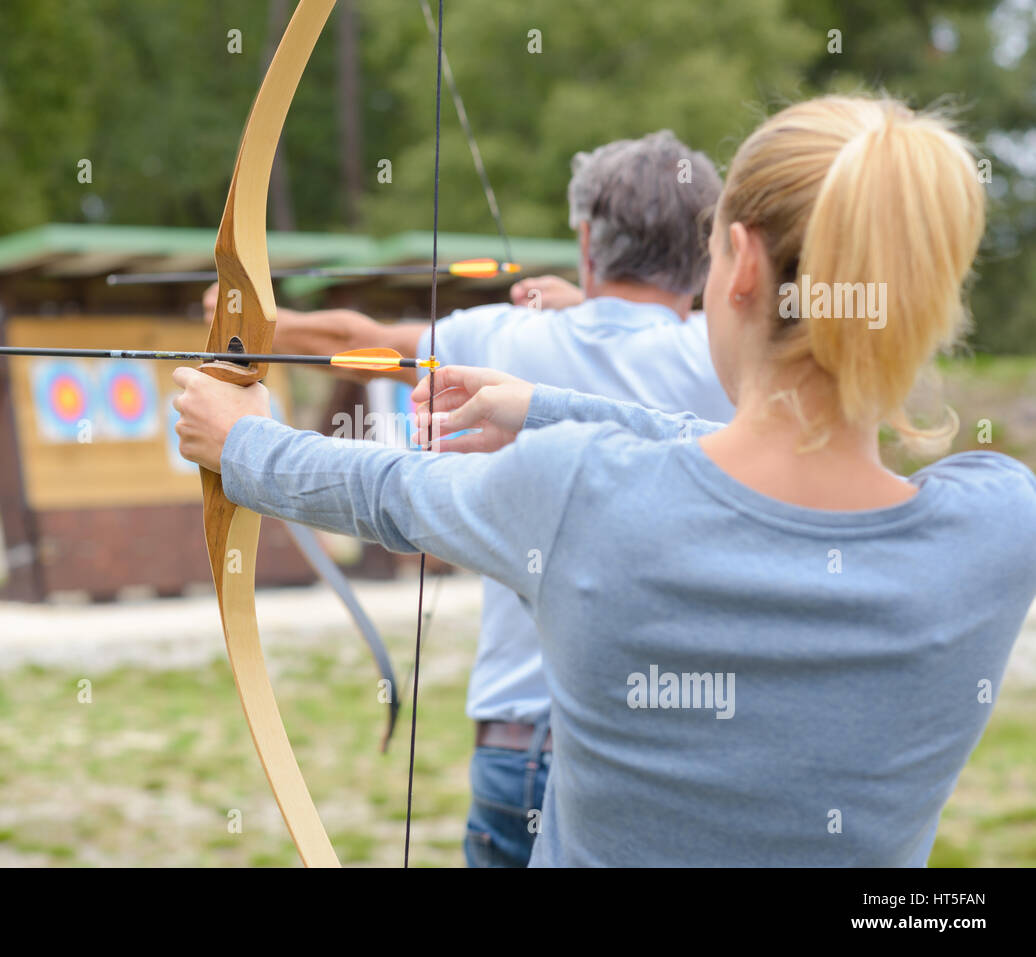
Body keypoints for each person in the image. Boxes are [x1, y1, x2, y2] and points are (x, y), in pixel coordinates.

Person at [173, 94, 1036, 865]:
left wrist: (242, 442)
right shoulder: (998, 526)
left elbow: (388, 492)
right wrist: (544, 404)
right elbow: (775, 462)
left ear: (739, 265)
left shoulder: (578, 490)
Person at [206, 130, 733, 867]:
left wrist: (253, 318)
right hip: (679, 746)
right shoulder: (731, 357)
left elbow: (363, 341)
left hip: (523, 746)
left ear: (586, 239)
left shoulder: (499, 337)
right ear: (709, 255)